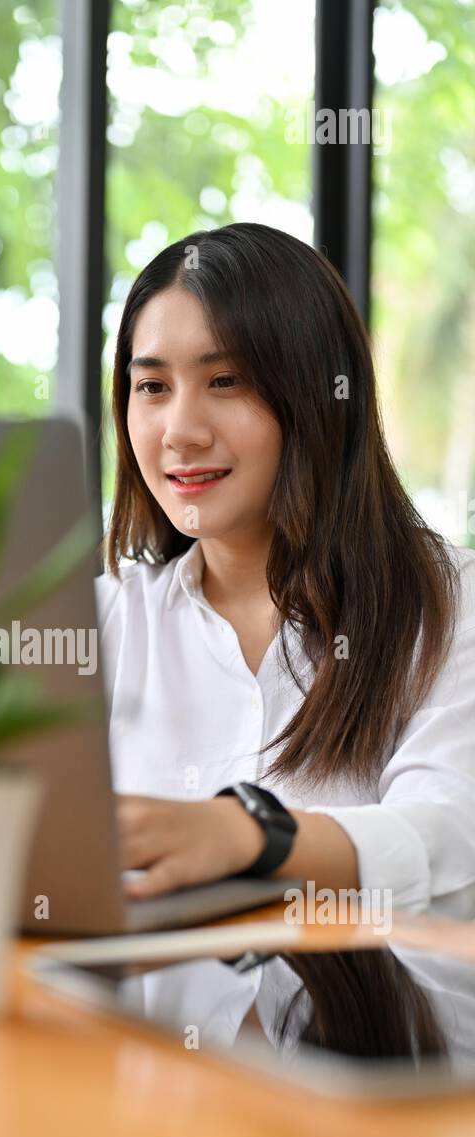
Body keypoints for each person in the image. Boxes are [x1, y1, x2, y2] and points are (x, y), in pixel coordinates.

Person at [97, 222, 475, 921]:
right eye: (151, 386)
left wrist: (251, 835)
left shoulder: (450, 603)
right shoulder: (102, 622)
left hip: (385, 1026)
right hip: (127, 1027)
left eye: (225, 380)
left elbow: (450, 835)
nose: (180, 429)